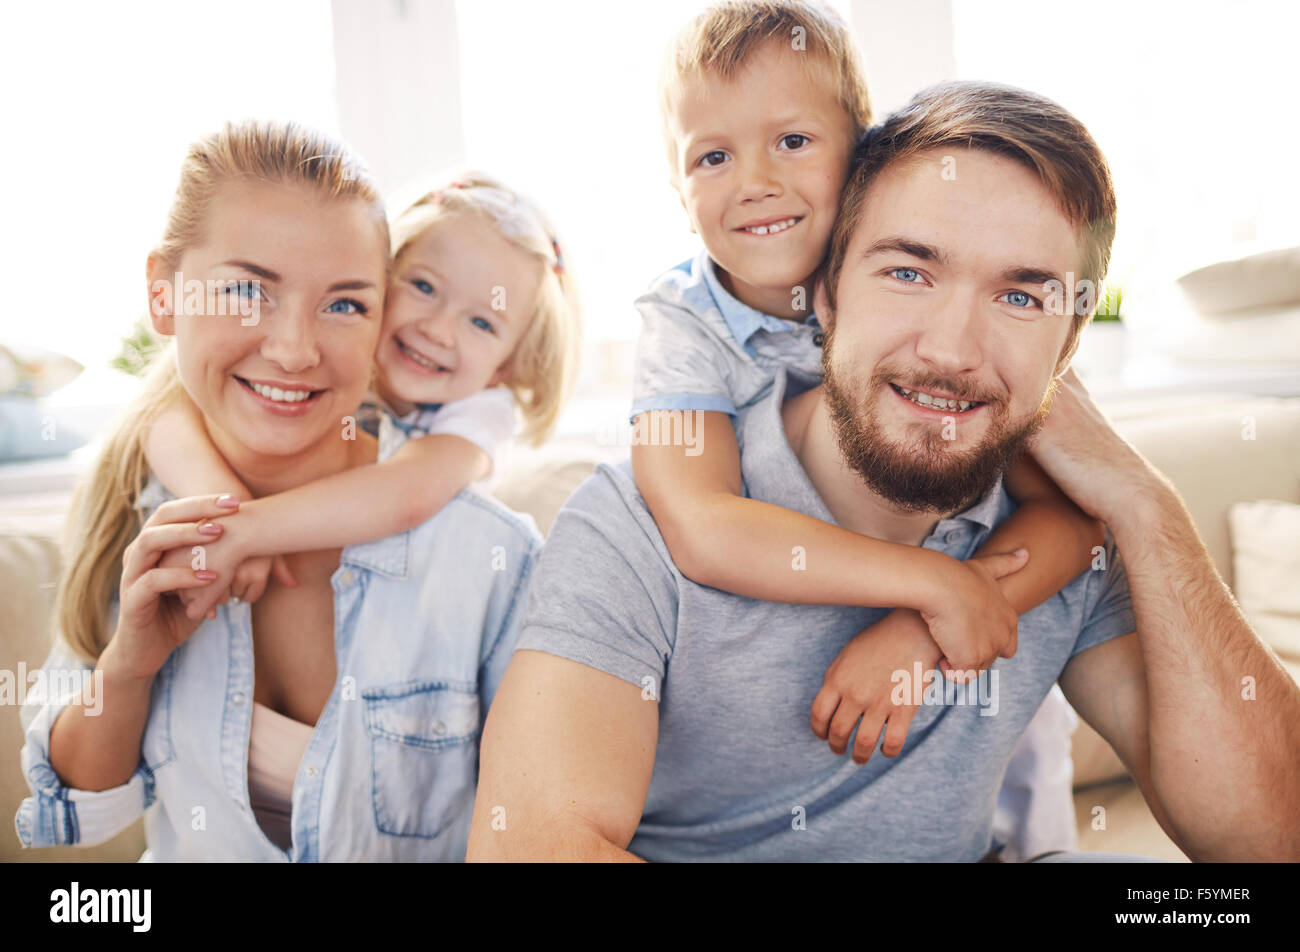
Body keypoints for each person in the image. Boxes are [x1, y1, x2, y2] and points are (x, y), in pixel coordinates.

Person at [467, 82, 1300, 861]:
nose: (949, 350)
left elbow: (1270, 841)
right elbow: (535, 849)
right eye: (908, 272)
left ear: (1069, 345)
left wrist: (1145, 504)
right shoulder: (638, 527)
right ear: (823, 295)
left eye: (1021, 298)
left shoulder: (1057, 532)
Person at [639, 0, 1095, 858]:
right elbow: (701, 525)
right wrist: (933, 584)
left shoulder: (940, 294)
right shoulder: (683, 324)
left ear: (860, 152)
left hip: (974, 669)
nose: (756, 182)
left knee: (1029, 754)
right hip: (793, 675)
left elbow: (1071, 519)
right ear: (675, 187)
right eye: (712, 156)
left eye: (794, 141)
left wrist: (937, 615)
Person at [15, 120, 543, 861]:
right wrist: (129, 668)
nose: (294, 350)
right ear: (162, 295)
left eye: (345, 304)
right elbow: (79, 812)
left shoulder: (488, 556)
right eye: (245, 291)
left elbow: (542, 827)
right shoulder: (129, 511)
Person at [141, 171, 579, 624]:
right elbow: (162, 415)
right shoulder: (333, 356)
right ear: (379, 281)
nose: (438, 330)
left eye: (482, 323)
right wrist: (224, 501)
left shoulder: (483, 410)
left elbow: (408, 493)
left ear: (507, 364)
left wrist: (247, 532)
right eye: (424, 287)